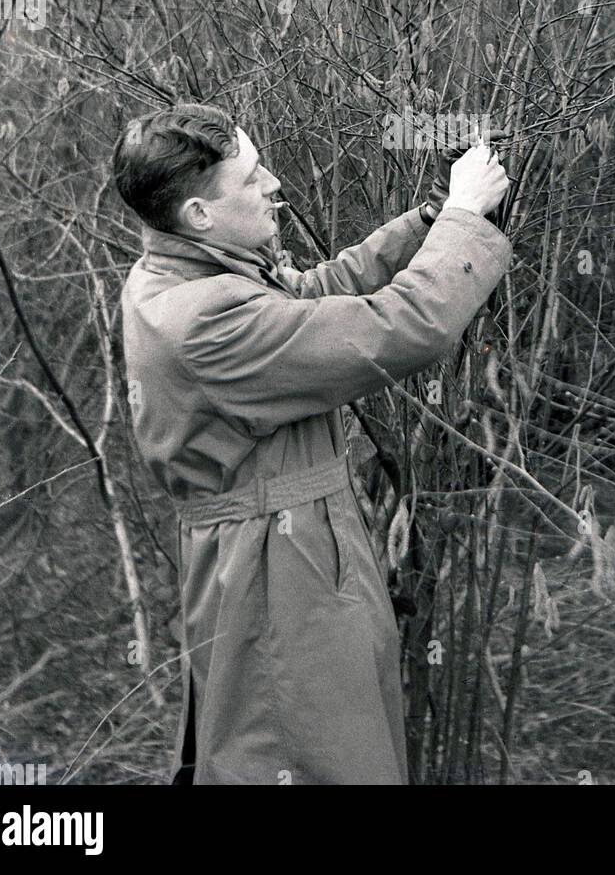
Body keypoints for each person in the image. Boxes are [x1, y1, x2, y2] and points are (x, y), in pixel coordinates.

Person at [112, 102, 511, 785]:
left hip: (284, 552)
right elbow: (399, 328)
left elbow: (308, 299)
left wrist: (429, 222)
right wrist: (465, 221)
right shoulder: (205, 319)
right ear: (200, 215)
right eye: (251, 176)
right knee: (304, 755)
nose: (274, 184)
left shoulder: (189, 275)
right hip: (275, 576)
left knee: (311, 747)